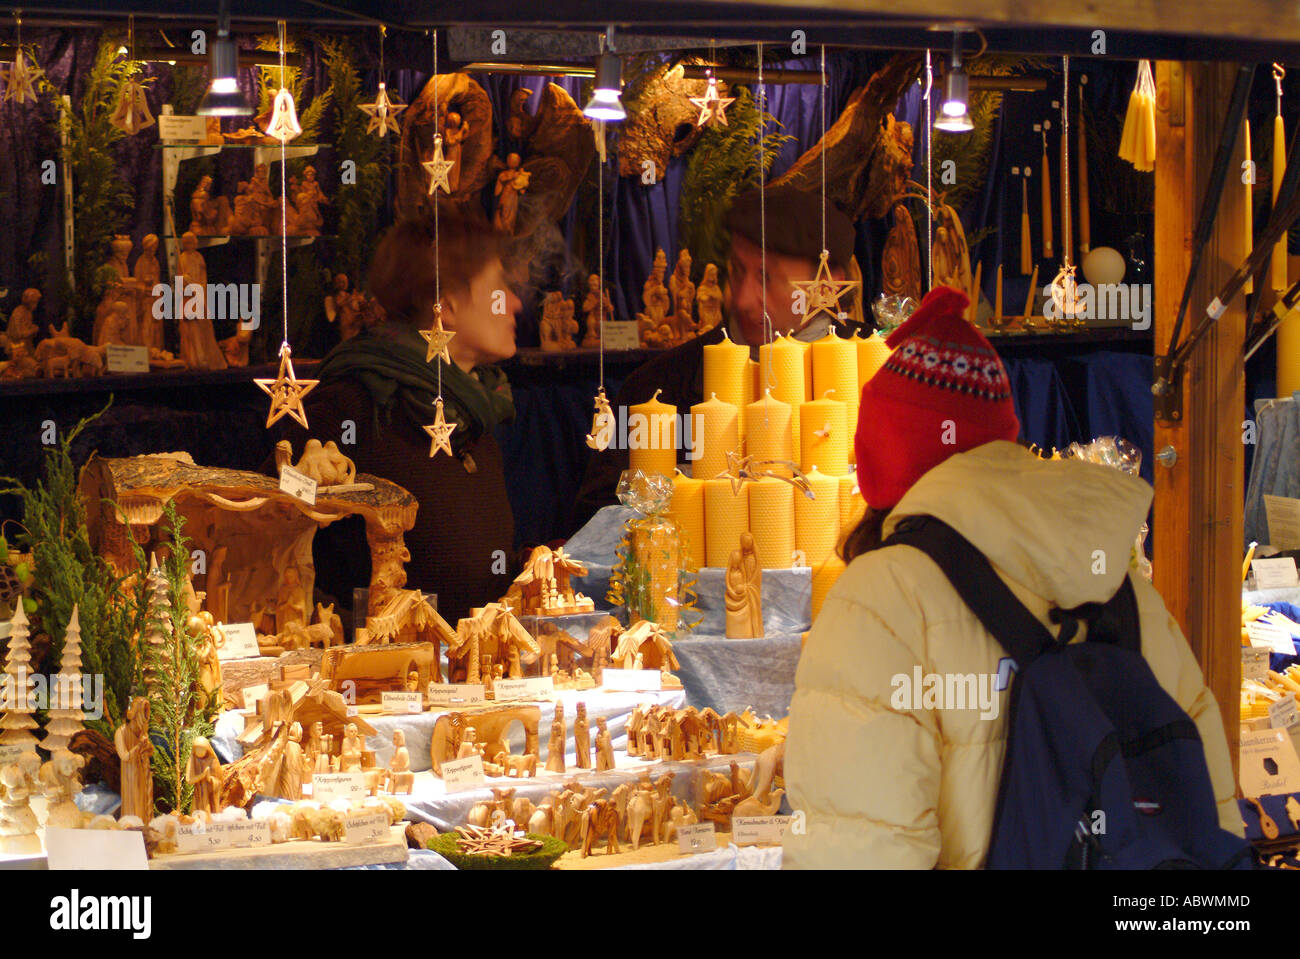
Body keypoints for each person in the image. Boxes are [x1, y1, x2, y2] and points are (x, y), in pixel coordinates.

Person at [781, 286, 1242, 869]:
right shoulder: (1123, 589)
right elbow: (1211, 816)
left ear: (881, 457)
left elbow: (857, 853)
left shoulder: (879, 601)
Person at [278, 212, 521, 623]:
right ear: (451, 304)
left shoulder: (472, 412)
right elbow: (279, 527)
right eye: (499, 288)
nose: (514, 302)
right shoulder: (352, 406)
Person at [573, 184, 861, 529]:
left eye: (766, 279)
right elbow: (596, 519)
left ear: (827, 287)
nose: (742, 299)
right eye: (737, 272)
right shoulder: (659, 387)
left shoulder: (877, 372)